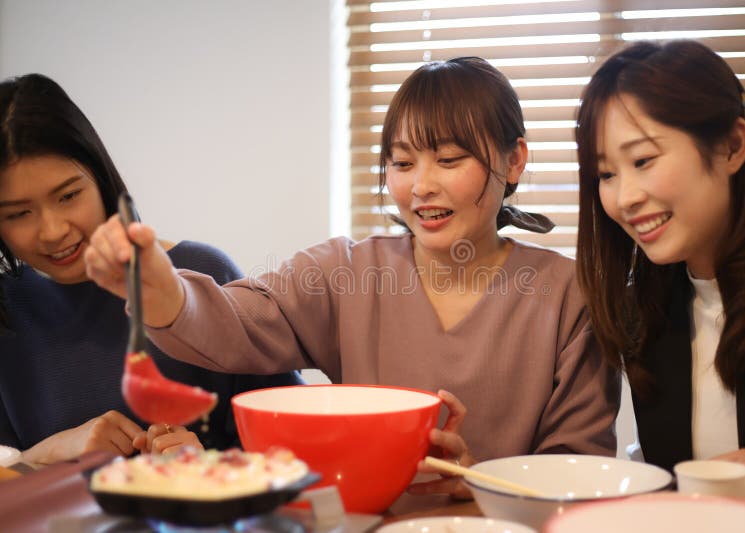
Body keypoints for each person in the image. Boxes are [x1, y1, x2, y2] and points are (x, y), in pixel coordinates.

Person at [85, 57, 619, 501]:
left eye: (450, 159)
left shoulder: (569, 295)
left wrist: (487, 484)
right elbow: (234, 322)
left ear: (515, 159)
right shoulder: (348, 273)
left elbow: (579, 466)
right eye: (402, 163)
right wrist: (164, 289)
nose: (421, 186)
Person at [0, 73, 303, 467]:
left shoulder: (200, 275)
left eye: (69, 195)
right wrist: (49, 454)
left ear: (101, 178)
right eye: (19, 213)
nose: (53, 231)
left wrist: (210, 463)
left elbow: (294, 446)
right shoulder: (8, 309)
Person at [574, 40, 745, 504]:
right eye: (606, 174)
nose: (624, 198)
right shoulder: (646, 310)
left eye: (642, 161)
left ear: (732, 146)